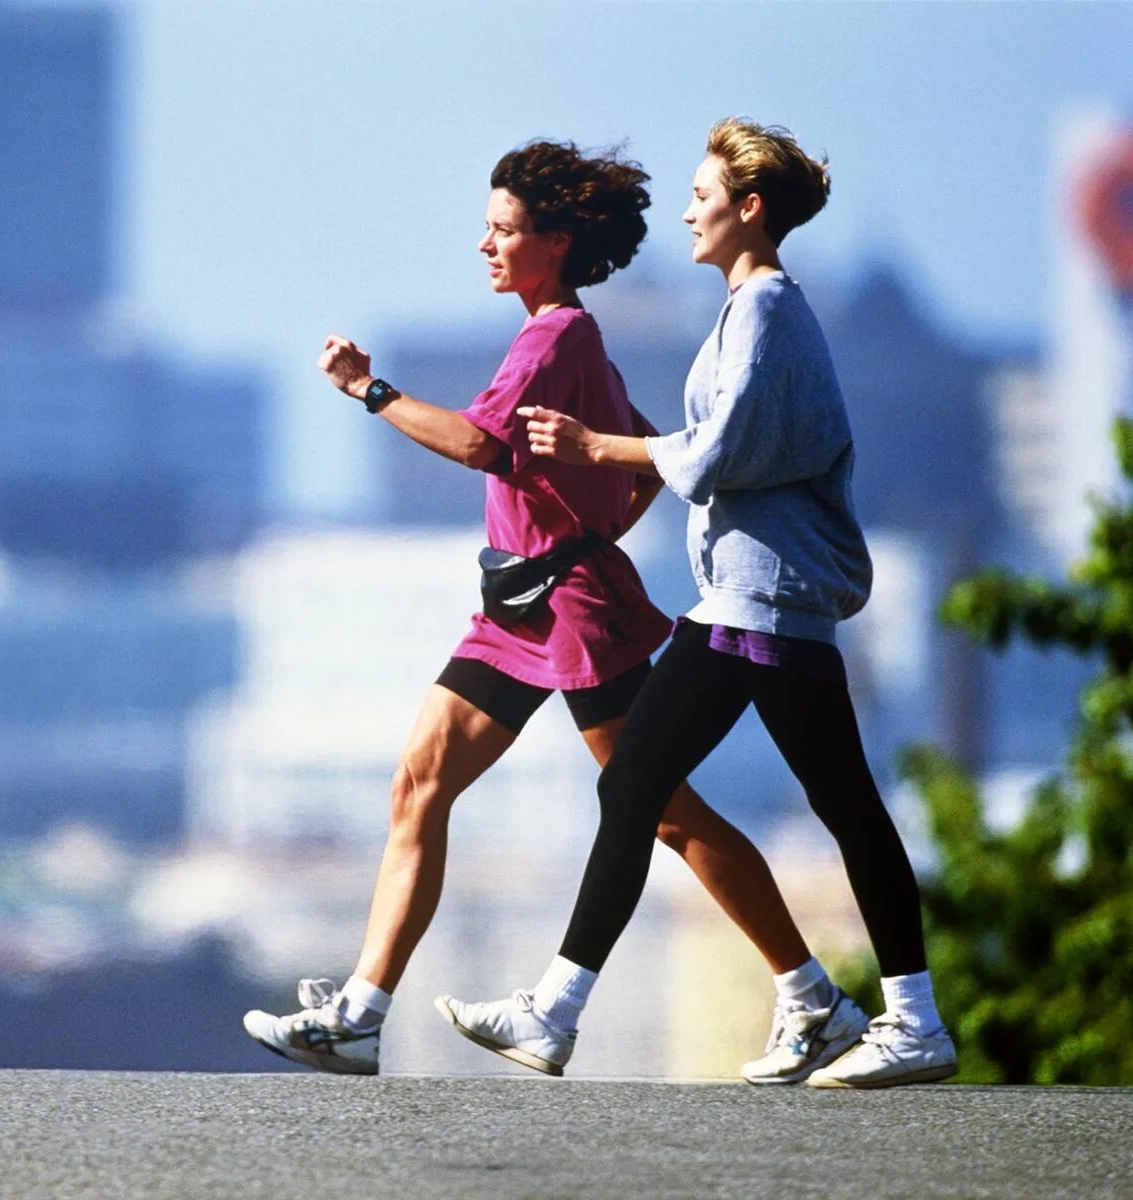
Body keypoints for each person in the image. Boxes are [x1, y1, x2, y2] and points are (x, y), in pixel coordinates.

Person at [242, 140, 862, 1081]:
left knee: (664, 812)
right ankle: (361, 1016)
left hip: (573, 612)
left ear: (557, 242)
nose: (484, 246)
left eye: (503, 231)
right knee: (419, 783)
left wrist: (369, 391)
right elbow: (645, 449)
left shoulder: (559, 336)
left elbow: (482, 446)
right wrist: (594, 519)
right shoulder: (562, 337)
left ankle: (811, 994)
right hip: (515, 607)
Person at [445, 118, 957, 1088]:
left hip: (758, 608)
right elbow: (722, 444)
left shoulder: (765, 310)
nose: (687, 209)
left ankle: (567, 1012)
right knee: (769, 797)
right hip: (753, 606)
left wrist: (599, 448)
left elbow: (715, 453)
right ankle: (845, 1009)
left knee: (673, 789)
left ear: (749, 209)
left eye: (703, 193)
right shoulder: (750, 310)